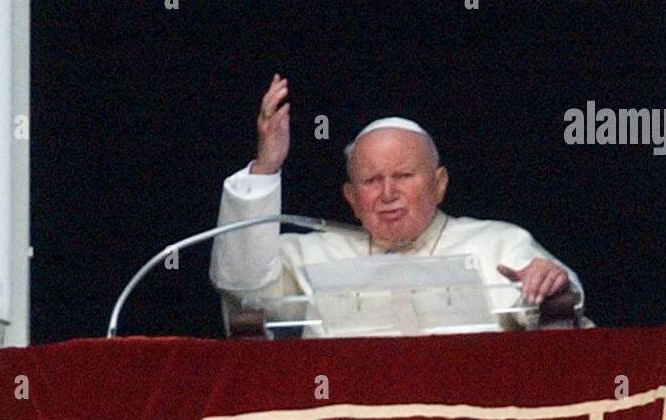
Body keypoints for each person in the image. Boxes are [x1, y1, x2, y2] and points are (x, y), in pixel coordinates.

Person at [210, 74, 584, 331]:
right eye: (372, 181)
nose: (388, 193)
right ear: (352, 199)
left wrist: (548, 285)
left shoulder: (498, 243)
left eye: (404, 176)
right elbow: (244, 289)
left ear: (439, 184)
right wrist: (266, 168)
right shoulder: (311, 254)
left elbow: (560, 307)